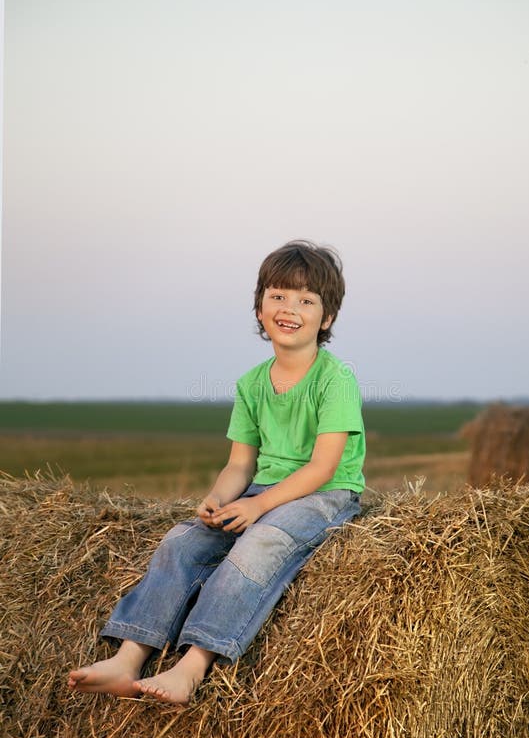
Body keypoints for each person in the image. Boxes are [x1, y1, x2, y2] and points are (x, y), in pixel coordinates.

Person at [68, 240, 365, 704]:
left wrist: (259, 506)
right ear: (260, 306)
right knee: (181, 541)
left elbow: (323, 466)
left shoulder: (335, 379)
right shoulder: (251, 384)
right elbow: (240, 464)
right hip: (263, 489)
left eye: (307, 301)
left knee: (259, 543)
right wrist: (218, 499)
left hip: (324, 493)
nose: (290, 308)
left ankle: (192, 665)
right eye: (279, 296)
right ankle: (129, 656)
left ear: (326, 319)